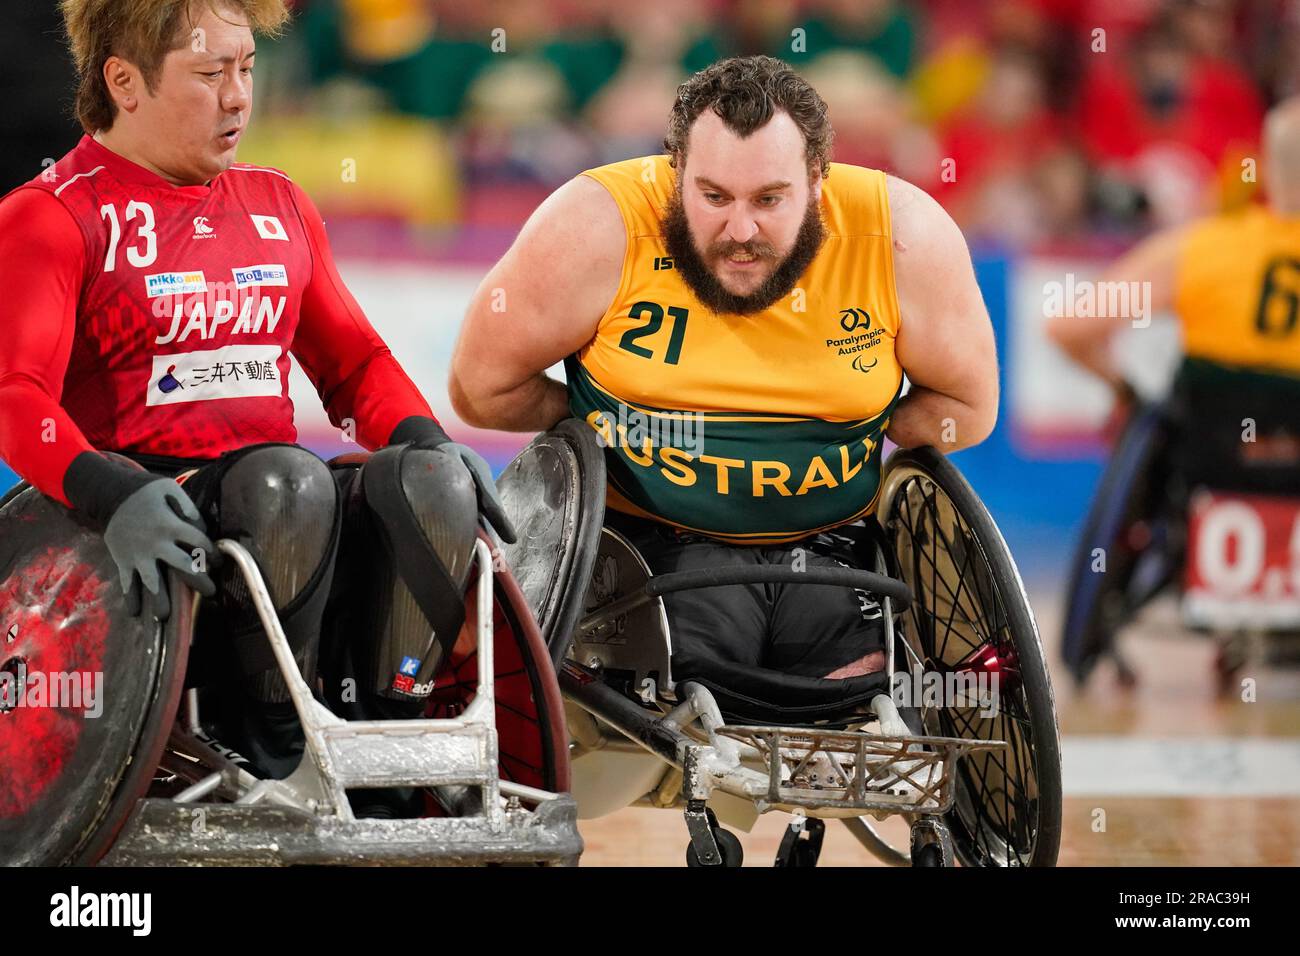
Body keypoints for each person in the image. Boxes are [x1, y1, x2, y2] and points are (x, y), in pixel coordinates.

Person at [0, 0, 513, 789]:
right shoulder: (51, 216)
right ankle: (269, 743)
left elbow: (355, 365)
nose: (239, 95)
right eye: (211, 74)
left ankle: (387, 740)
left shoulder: (279, 203)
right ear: (125, 82)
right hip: (143, 517)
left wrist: (429, 439)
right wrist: (107, 492)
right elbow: (14, 396)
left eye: (246, 68)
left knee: (431, 480)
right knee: (289, 480)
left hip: (274, 510)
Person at [450, 55, 997, 711]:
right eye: (713, 198)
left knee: (861, 692)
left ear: (818, 180)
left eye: (769, 199)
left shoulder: (903, 235)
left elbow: (966, 410)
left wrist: (867, 428)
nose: (741, 230)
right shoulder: (593, 225)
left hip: (832, 548)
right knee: (701, 680)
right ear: (674, 172)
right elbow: (480, 388)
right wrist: (609, 424)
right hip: (652, 549)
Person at [1047, 95, 1300, 497]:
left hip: (1210, 478)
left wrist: (1126, 391)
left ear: (1266, 171)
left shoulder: (1203, 249)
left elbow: (1069, 327)